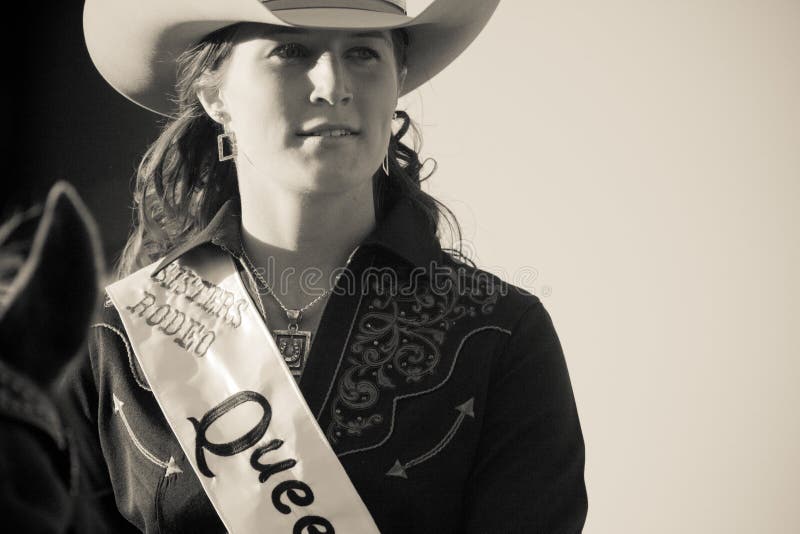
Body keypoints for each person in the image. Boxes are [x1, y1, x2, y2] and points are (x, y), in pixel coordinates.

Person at [58, 1, 588, 532]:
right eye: (291, 51)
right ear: (215, 95)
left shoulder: (498, 333)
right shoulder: (112, 339)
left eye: (363, 52)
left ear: (398, 80)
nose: (333, 84)